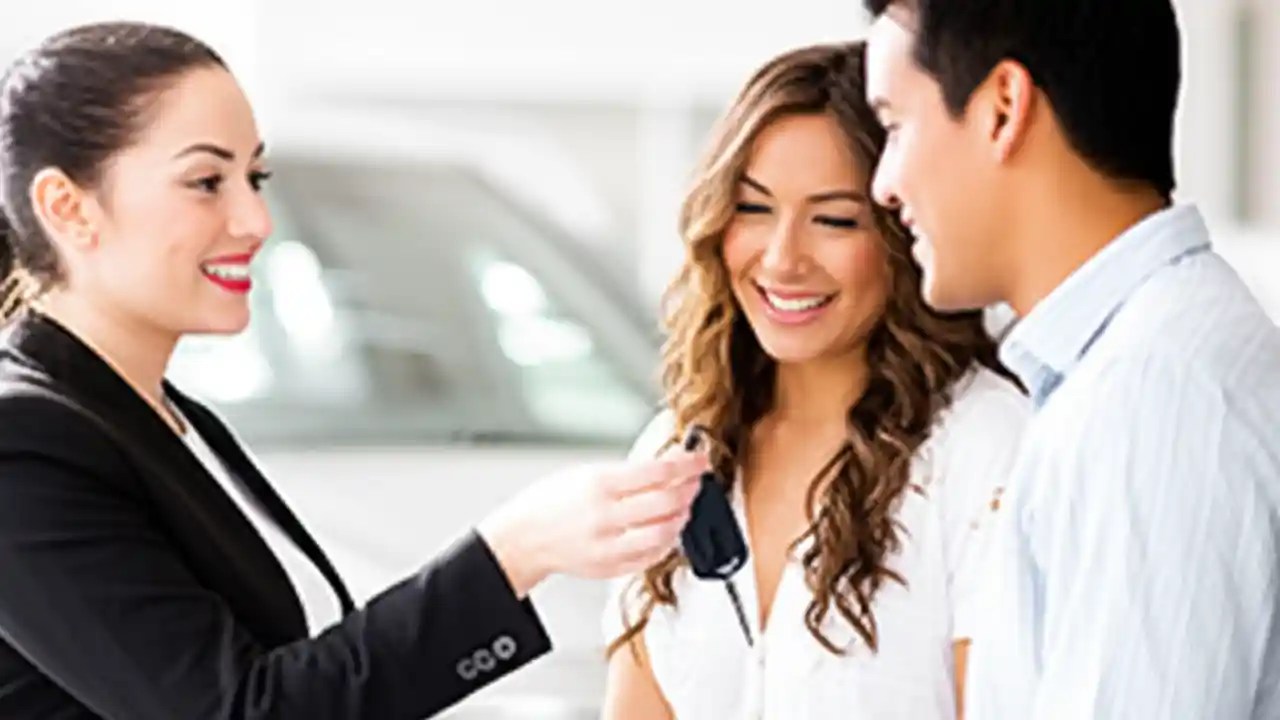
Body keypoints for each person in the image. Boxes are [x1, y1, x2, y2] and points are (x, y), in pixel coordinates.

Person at [0, 22, 707, 719]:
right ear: (68, 207)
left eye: (255, 177)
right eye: (206, 181)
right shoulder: (22, 443)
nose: (254, 219)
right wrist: (515, 551)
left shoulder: (164, 415)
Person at [862, 1, 1280, 718]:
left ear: (1002, 107)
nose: (883, 186)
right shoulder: (1128, 369)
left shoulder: (1154, 397)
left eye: (895, 127)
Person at [599, 41, 1030, 720]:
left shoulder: (985, 446)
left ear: (902, 228)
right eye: (752, 208)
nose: (782, 258)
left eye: (834, 219)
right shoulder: (672, 455)